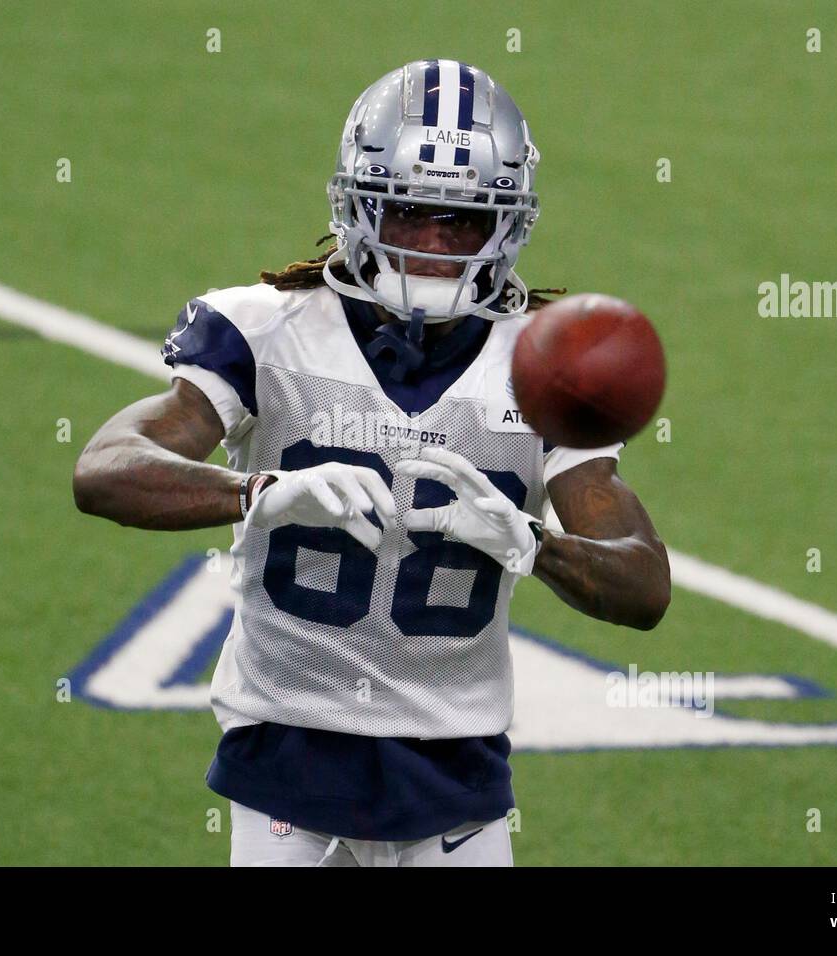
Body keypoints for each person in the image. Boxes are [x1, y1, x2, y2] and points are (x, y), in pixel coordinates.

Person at [73, 59, 670, 866]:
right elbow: (104, 468)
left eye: (463, 220)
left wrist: (534, 542)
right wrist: (253, 491)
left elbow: (643, 587)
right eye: (411, 211)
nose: (432, 244)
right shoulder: (264, 331)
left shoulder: (543, 364)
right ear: (357, 205)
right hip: (286, 758)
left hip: (456, 775)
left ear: (509, 225)